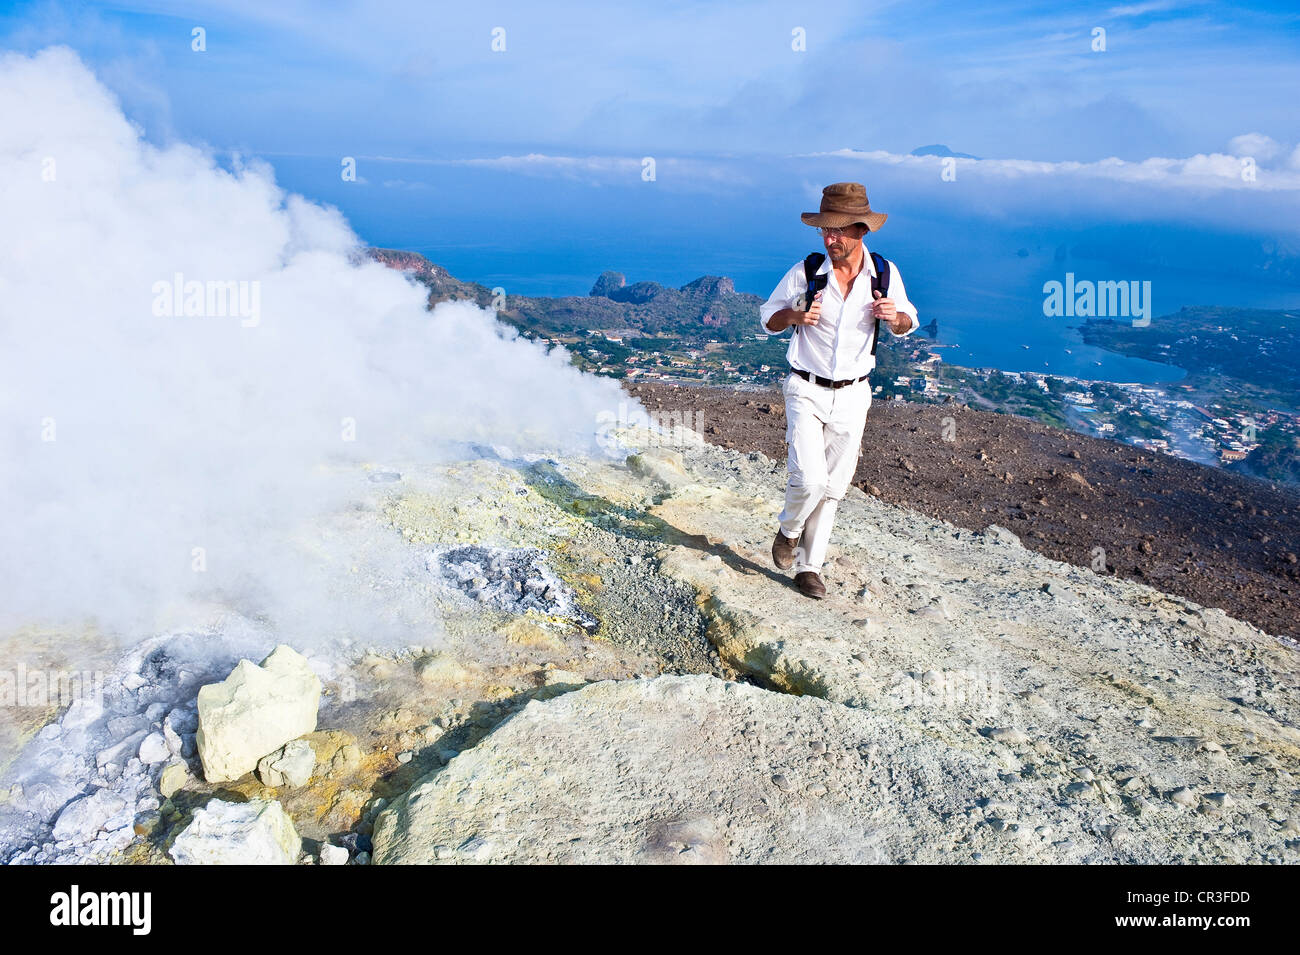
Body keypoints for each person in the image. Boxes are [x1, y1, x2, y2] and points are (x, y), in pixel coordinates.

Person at [759, 182, 920, 598]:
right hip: (805, 387)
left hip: (853, 394)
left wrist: (895, 316)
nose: (831, 239)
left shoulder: (883, 274)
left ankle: (809, 569)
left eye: (840, 231)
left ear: (861, 230)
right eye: (826, 230)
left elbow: (908, 323)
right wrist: (794, 316)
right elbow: (767, 319)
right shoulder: (807, 271)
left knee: (833, 487)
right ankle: (788, 530)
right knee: (810, 479)